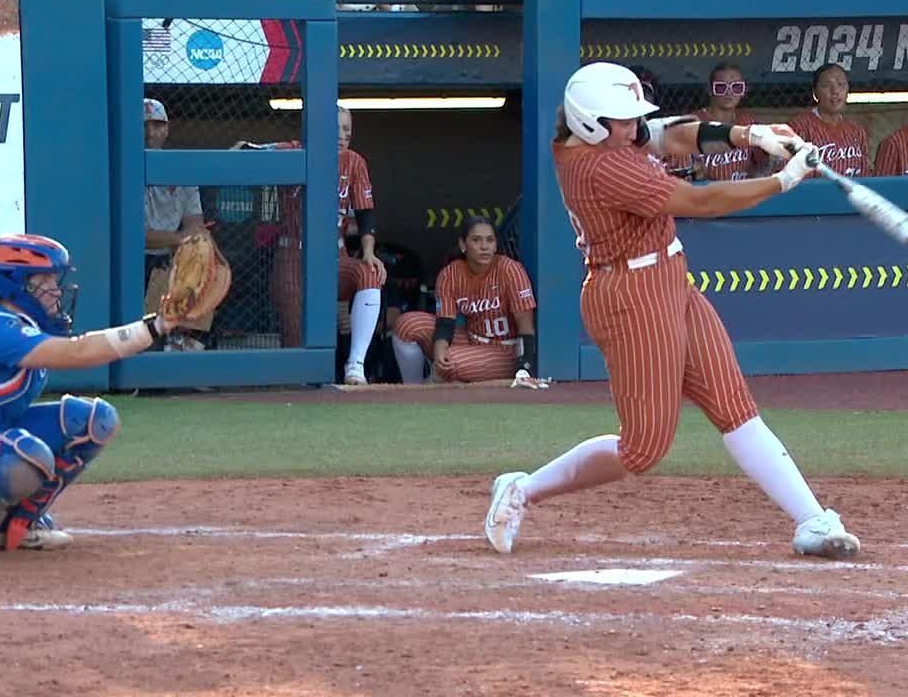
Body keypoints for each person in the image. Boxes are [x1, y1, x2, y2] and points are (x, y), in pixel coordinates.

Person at [483, 62, 861, 559]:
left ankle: (812, 520)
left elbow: (671, 134)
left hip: (668, 276)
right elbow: (699, 201)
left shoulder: (609, 136)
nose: (634, 127)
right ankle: (521, 489)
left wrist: (753, 135)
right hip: (630, 296)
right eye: (622, 120)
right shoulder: (599, 168)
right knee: (642, 450)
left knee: (734, 406)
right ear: (590, 123)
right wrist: (783, 180)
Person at [0, 233, 207, 571]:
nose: (57, 291)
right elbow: (77, 352)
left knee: (91, 420)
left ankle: (6, 523)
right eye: (46, 282)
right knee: (24, 454)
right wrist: (157, 326)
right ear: (17, 286)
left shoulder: (16, 325)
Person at [239, 107, 385, 384]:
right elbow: (249, 151)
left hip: (334, 252)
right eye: (336, 128)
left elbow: (366, 213)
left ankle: (355, 364)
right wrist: (248, 148)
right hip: (293, 251)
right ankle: (296, 384)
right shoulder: (296, 149)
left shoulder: (354, 162)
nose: (342, 135)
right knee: (294, 332)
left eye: (347, 129)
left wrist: (368, 252)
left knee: (369, 273)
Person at [390, 215, 539, 386]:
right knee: (406, 325)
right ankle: (411, 388)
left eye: (490, 240)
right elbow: (445, 323)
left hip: (504, 349)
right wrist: (439, 351)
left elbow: (526, 329)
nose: (484, 246)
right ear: (463, 245)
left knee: (450, 361)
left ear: (496, 245)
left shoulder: (510, 270)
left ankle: (427, 390)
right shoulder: (451, 273)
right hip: (470, 337)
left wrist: (524, 367)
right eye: (476, 240)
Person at [143, 98, 208, 351]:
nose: (150, 132)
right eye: (143, 125)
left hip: (174, 257)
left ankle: (187, 344)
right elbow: (137, 237)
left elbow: (196, 227)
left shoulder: (181, 168)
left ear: (168, 128)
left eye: (157, 125)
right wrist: (180, 238)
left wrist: (181, 242)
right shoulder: (124, 166)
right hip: (136, 261)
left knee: (204, 259)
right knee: (147, 339)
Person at [686, 64, 768, 182]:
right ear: (710, 90)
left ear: (744, 91)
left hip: (741, 190)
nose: (729, 93)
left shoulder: (748, 122)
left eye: (736, 87)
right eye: (721, 87)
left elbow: (763, 165)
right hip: (706, 192)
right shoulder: (692, 124)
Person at [787, 63, 869, 177]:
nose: (835, 91)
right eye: (826, 85)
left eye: (841, 84)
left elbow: (866, 174)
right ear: (815, 93)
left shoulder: (857, 131)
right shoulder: (799, 127)